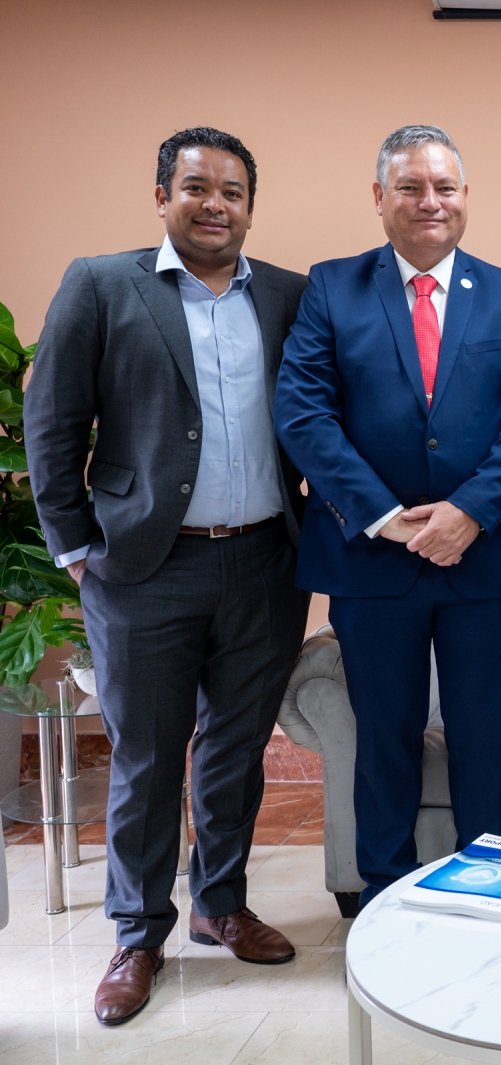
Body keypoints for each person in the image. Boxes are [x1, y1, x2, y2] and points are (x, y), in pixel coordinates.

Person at [26, 127, 310, 1025]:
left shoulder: (290, 296)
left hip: (266, 556)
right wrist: (76, 548)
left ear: (250, 207)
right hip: (146, 564)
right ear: (163, 196)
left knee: (235, 744)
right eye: (196, 187)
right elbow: (53, 422)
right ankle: (137, 932)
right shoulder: (101, 284)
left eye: (232, 191)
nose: (215, 203)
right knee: (146, 754)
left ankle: (219, 903)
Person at [275, 126, 501, 910]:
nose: (429, 201)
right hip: (372, 565)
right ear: (380, 198)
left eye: (445, 187)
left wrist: (468, 512)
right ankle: (386, 898)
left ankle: (496, 893)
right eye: (410, 187)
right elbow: (303, 412)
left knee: (481, 740)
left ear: (465, 198)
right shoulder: (333, 287)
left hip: (485, 561)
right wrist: (385, 516)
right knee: (385, 742)